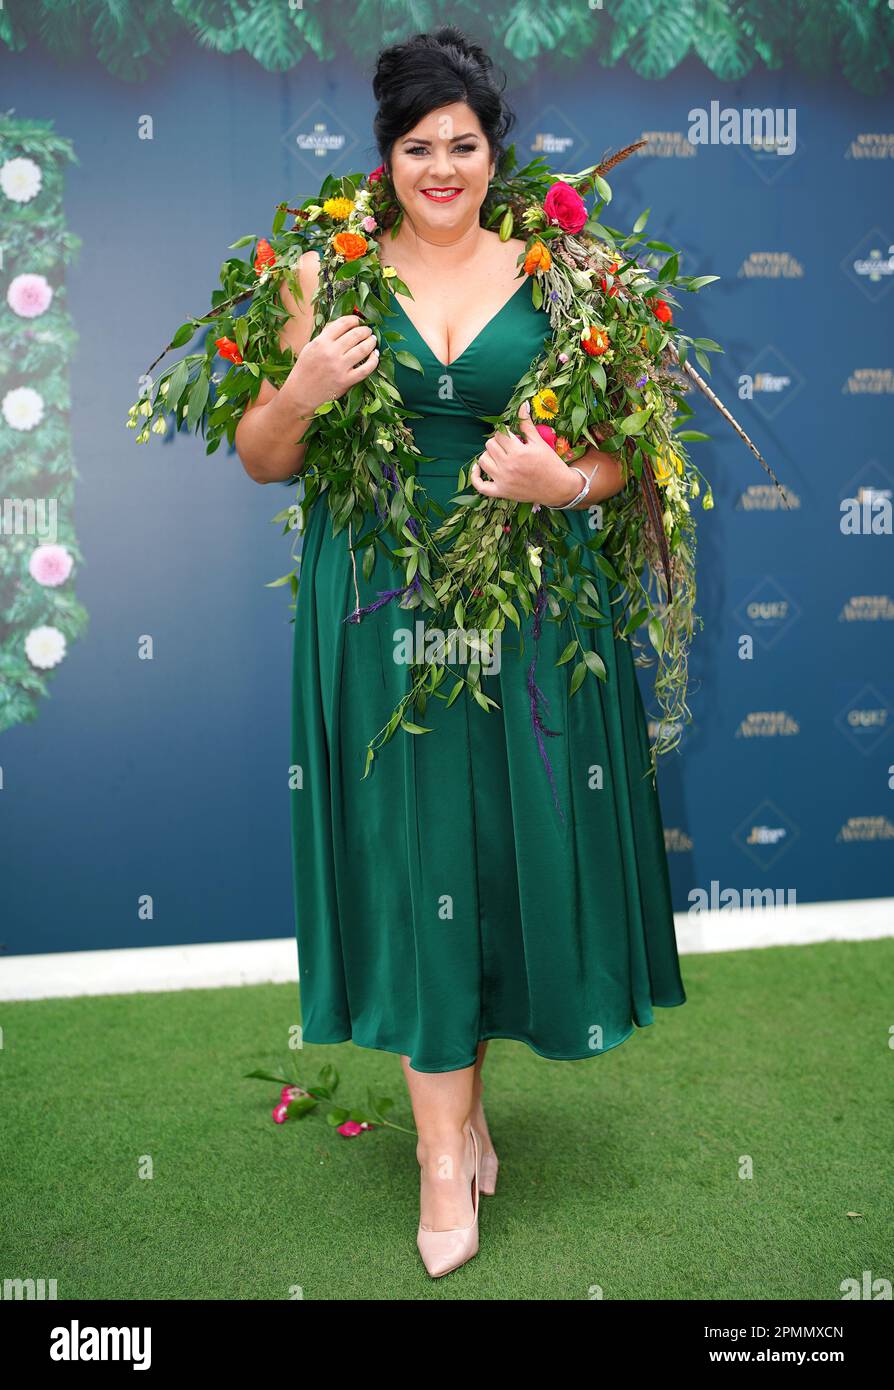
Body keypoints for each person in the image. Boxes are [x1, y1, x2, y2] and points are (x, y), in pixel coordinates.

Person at [235, 26, 687, 1279]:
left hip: (530, 603)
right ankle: (443, 1161)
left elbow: (633, 459)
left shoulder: (569, 276)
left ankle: (468, 1113)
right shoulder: (319, 274)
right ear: (385, 157)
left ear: (496, 153)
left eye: (464, 144)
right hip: (377, 605)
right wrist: (306, 383)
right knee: (416, 846)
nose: (442, 167)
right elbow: (265, 454)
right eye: (417, 145)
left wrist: (562, 479)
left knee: (487, 851)